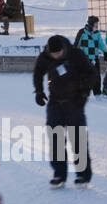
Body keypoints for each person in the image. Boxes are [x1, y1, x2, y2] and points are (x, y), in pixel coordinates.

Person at [31, 35, 97, 187]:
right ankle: (59, 174)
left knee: (78, 139)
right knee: (56, 139)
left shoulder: (76, 54)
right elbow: (38, 72)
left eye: (58, 53)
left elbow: (92, 74)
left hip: (74, 102)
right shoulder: (45, 56)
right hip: (55, 102)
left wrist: (83, 94)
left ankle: (83, 175)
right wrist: (39, 92)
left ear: (63, 49)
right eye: (53, 54)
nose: (56, 56)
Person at [73, 16, 105, 101]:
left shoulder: (97, 33)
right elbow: (76, 45)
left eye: (97, 24)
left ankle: (97, 93)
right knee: (84, 77)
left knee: (97, 76)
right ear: (90, 24)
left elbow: (101, 44)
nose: (97, 25)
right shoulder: (82, 32)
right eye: (95, 24)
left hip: (95, 58)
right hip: (84, 59)